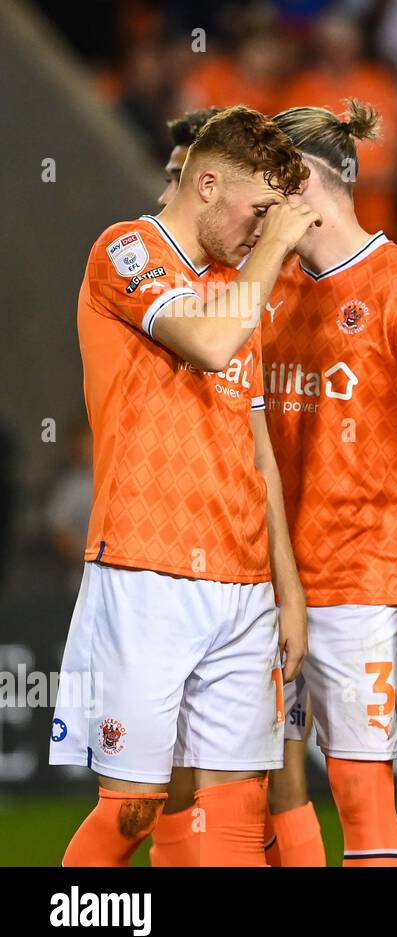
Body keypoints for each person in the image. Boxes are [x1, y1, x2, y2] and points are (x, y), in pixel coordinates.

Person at [50, 106, 318, 866]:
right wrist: (271, 255)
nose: (265, 230)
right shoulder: (127, 251)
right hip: (146, 568)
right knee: (135, 806)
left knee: (234, 811)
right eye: (258, 210)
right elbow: (205, 340)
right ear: (206, 184)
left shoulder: (241, 285)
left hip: (242, 582)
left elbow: (257, 446)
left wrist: (287, 589)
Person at [261, 100, 397, 866]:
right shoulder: (267, 288)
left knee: (360, 794)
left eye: (265, 180)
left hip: (357, 577)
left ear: (299, 182)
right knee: (261, 786)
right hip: (257, 577)